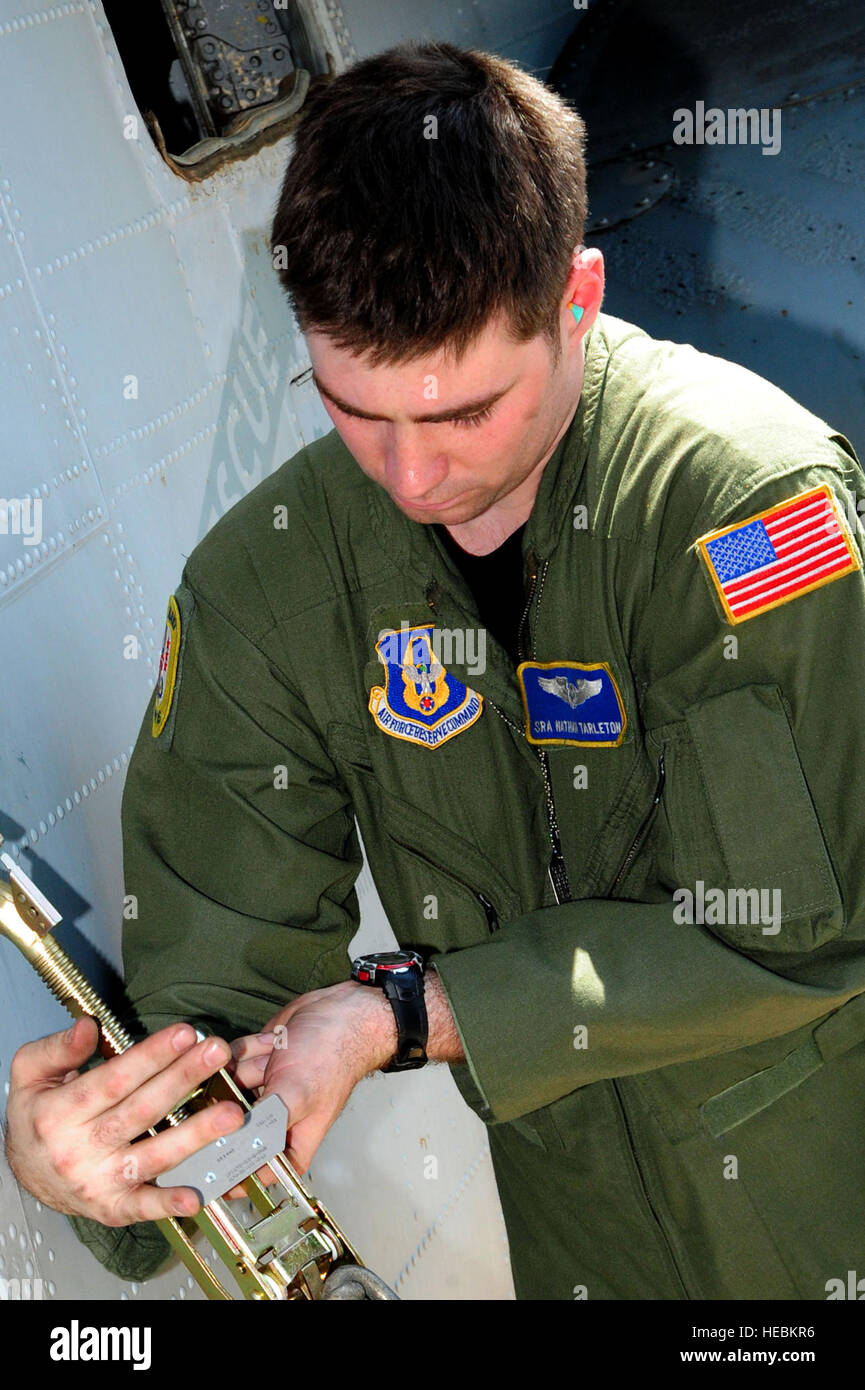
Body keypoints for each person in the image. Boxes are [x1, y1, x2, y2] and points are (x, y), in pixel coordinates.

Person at [6, 38, 865, 1301]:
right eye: (354, 407)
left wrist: (406, 1014)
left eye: (464, 413)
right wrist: (93, 1154)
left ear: (577, 296)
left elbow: (799, 937)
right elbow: (208, 1013)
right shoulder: (270, 590)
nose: (411, 479)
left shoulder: (743, 511)